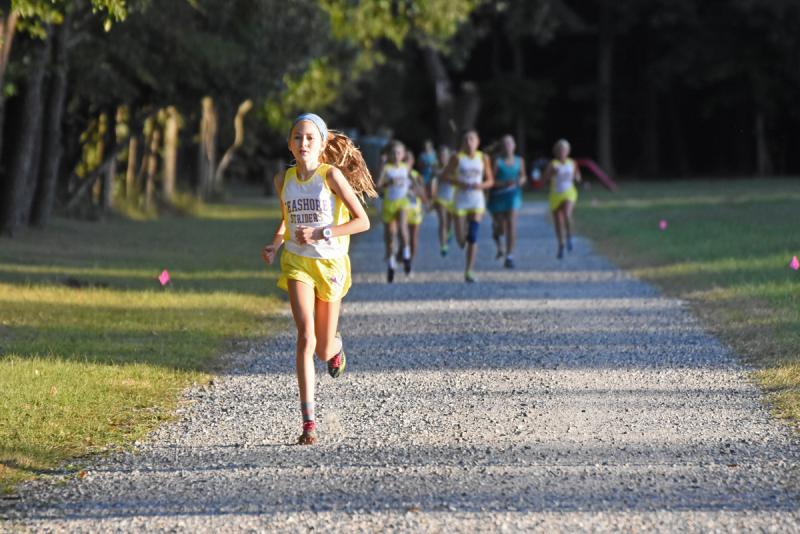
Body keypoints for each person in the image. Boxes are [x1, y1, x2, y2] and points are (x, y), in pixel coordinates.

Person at [262, 113, 377, 445]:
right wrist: (276, 242)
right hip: (298, 262)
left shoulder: (332, 176)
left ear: (323, 143)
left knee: (324, 348)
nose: (304, 143)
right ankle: (309, 422)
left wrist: (323, 231)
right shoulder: (283, 180)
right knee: (305, 337)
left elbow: (362, 222)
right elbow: (287, 218)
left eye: (310, 138)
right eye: (297, 137)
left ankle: (337, 347)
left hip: (330, 265)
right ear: (290, 144)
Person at [441, 130, 494, 282]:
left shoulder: (483, 158)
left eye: (472, 139)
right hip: (460, 200)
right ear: (463, 143)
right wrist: (459, 183)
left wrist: (481, 185)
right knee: (461, 241)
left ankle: (469, 271)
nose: (469, 142)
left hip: (476, 200)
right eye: (466, 139)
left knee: (473, 236)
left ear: (478, 142)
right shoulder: (457, 158)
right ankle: (454, 234)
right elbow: (444, 176)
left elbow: (490, 181)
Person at [375, 141, 414, 282]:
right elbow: (378, 187)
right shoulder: (386, 168)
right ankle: (391, 265)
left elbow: (412, 182)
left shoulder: (406, 167)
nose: (396, 155)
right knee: (390, 236)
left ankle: (406, 256)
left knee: (403, 230)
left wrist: (416, 191)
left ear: (403, 154)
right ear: (390, 155)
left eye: (399, 152)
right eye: (393, 153)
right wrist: (387, 183)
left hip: (402, 202)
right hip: (389, 204)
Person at [488, 134, 527, 269]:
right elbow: (491, 180)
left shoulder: (519, 160)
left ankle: (509, 256)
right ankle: (499, 245)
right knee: (500, 228)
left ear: (514, 146)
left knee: (511, 223)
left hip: (513, 195)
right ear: (502, 147)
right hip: (497, 196)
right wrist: (504, 183)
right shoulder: (497, 161)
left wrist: (520, 181)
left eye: (510, 143)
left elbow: (523, 176)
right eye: (505, 144)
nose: (508, 146)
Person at [542, 138, 581, 259]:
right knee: (558, 222)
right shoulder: (553, 164)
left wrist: (577, 179)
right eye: (560, 150)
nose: (562, 152)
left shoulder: (572, 163)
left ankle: (569, 235)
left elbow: (578, 177)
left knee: (567, 214)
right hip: (555, 194)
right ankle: (561, 244)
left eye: (564, 150)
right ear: (556, 151)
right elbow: (545, 180)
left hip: (569, 192)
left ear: (568, 151)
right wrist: (551, 173)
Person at [403, 151, 429, 271]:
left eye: (409, 160)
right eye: (405, 159)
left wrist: (414, 186)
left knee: (413, 237)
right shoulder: (398, 173)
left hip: (415, 209)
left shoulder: (417, 176)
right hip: (402, 208)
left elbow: (423, 196)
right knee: (402, 235)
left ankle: (410, 261)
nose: (407, 162)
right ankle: (403, 252)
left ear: (413, 162)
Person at [432, 145, 455, 257]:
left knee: (450, 222)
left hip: (452, 198)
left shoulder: (453, 167)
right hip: (440, 198)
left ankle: (449, 232)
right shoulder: (436, 167)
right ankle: (443, 245)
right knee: (443, 221)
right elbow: (437, 176)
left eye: (445, 155)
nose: (443, 158)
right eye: (441, 156)